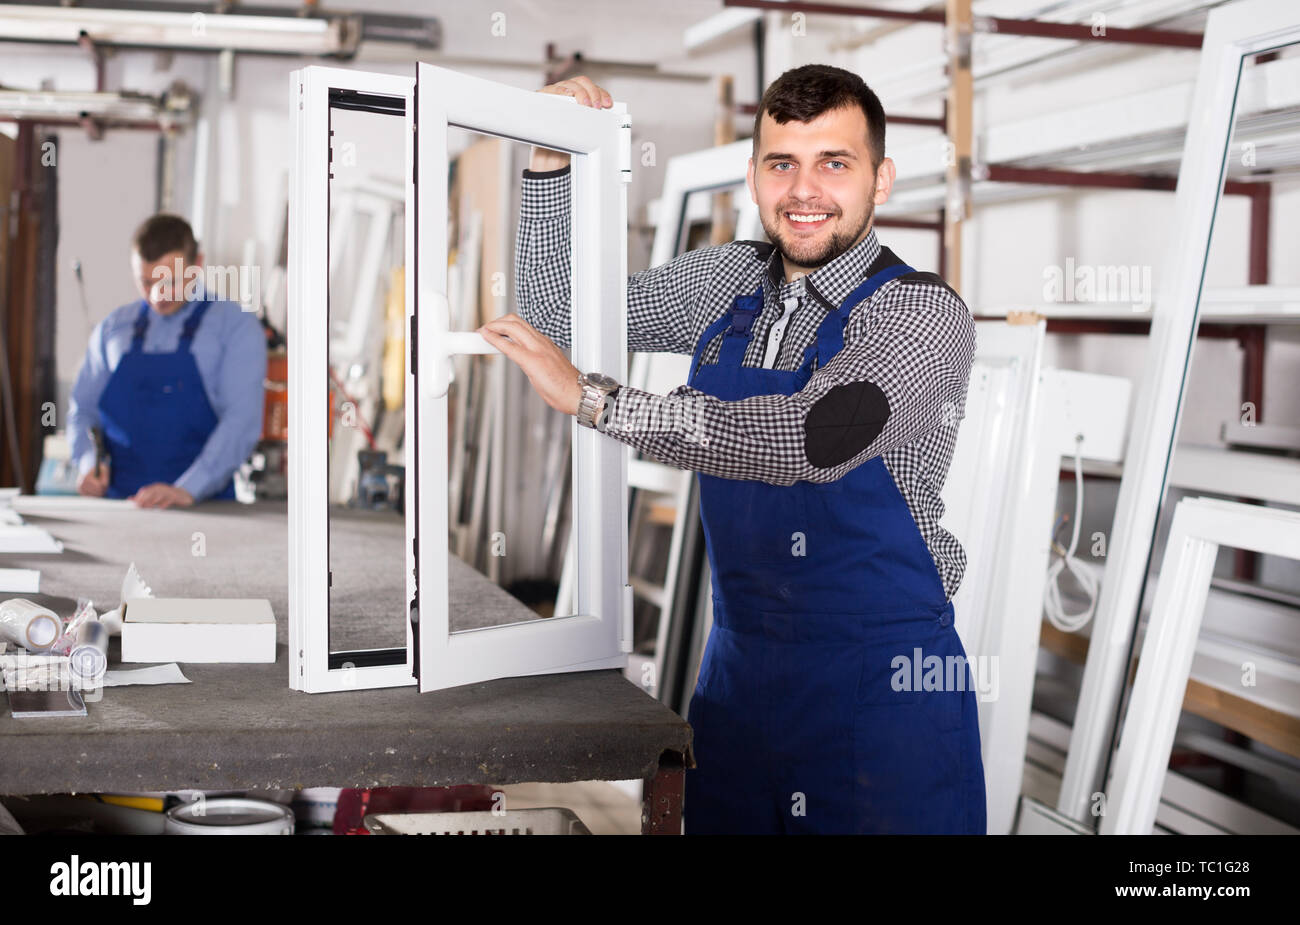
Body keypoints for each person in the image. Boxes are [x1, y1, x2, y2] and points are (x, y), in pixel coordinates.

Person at [483, 65, 985, 834]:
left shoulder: (919, 314)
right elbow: (560, 313)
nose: (804, 190)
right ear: (754, 176)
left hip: (884, 699)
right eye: (783, 163)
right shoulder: (729, 281)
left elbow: (806, 440)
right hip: (742, 680)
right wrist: (550, 158)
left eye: (835, 164)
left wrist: (594, 398)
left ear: (881, 180)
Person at [68, 214, 266, 508]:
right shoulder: (112, 329)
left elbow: (242, 422)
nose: (158, 295)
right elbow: (82, 410)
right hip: (119, 510)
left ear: (196, 264)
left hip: (206, 511)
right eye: (146, 282)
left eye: (170, 282)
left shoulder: (236, 328)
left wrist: (189, 488)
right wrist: (88, 463)